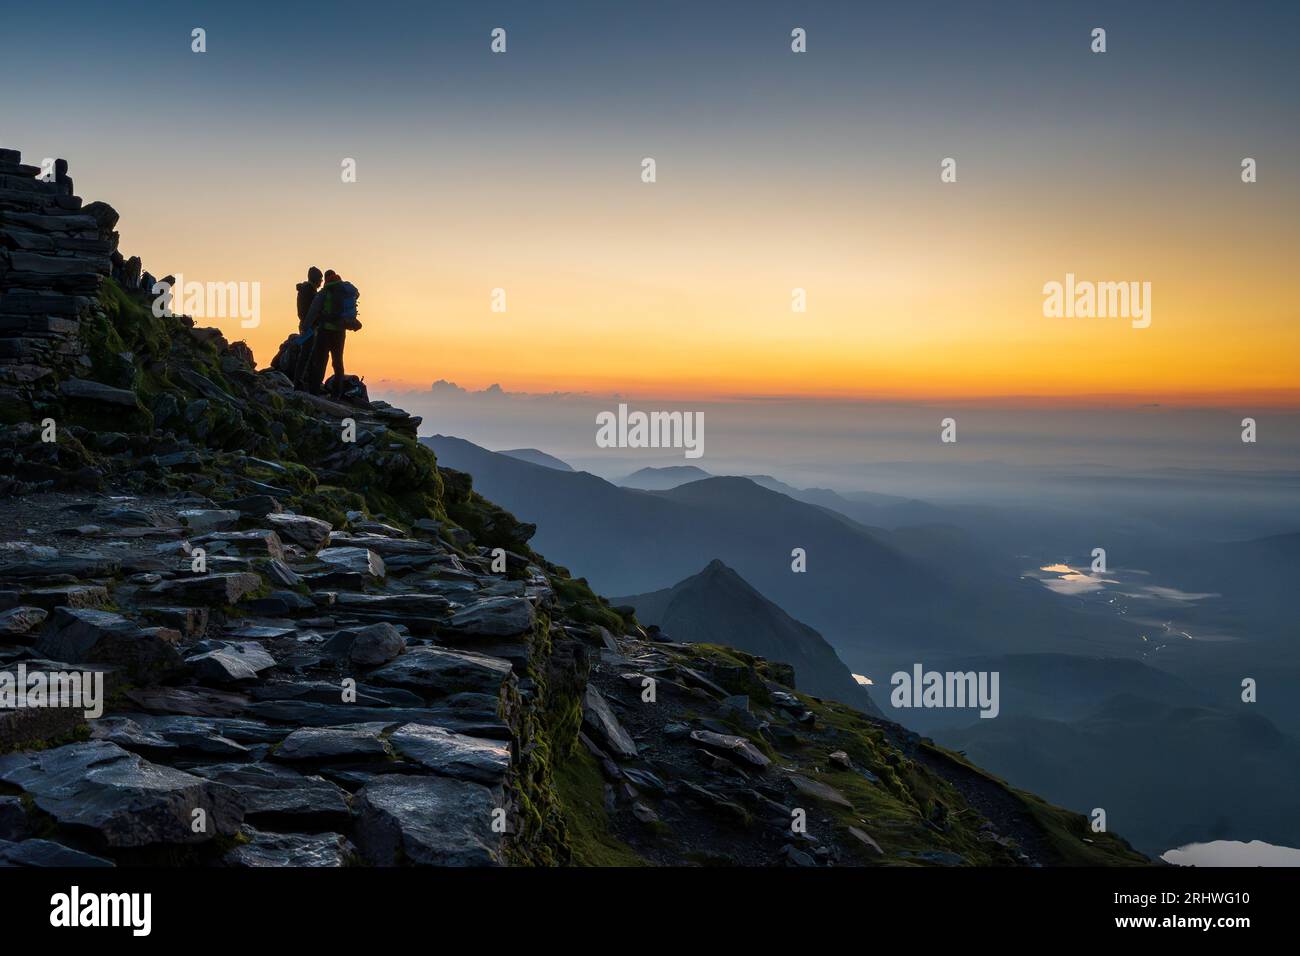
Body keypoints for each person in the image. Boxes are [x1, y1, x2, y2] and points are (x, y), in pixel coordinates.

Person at [303, 269, 360, 400]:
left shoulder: (325, 292)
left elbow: (313, 310)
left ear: (327, 279)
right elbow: (357, 295)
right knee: (338, 362)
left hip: (324, 331)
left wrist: (305, 326)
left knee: (320, 362)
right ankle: (336, 394)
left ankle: (314, 392)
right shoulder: (346, 289)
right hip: (340, 332)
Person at [290, 266, 323, 388]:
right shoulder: (310, 292)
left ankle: (300, 380)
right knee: (307, 354)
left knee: (306, 354)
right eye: (320, 279)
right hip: (309, 326)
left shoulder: (305, 290)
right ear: (316, 279)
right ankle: (299, 382)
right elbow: (312, 311)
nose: (321, 282)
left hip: (305, 325)